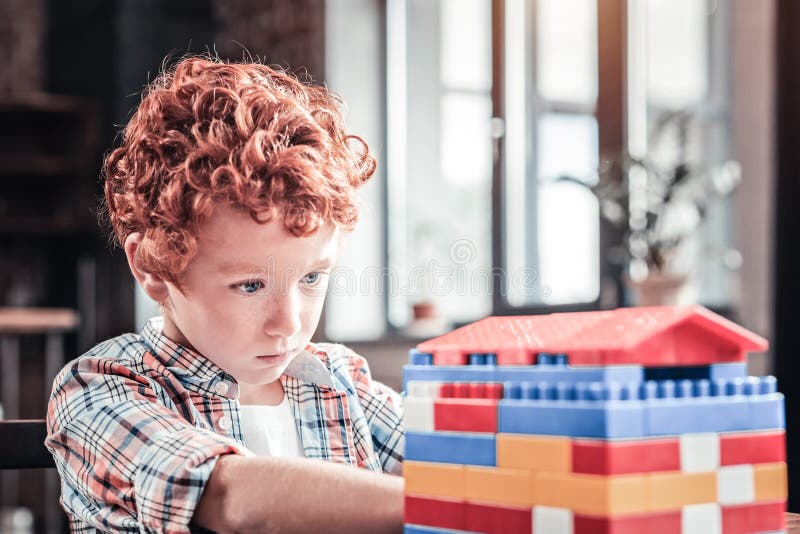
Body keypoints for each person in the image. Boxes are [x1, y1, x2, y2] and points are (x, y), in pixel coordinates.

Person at [44, 56, 405, 533]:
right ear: (151, 267)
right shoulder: (97, 389)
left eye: (311, 278)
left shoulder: (343, 383)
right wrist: (439, 504)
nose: (289, 323)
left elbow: (465, 462)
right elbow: (230, 500)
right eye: (250, 285)